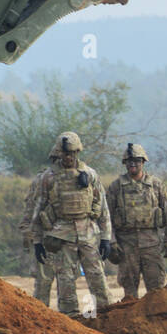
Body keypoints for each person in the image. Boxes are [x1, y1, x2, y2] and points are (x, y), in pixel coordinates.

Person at [30, 131, 113, 319]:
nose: (69, 158)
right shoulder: (49, 177)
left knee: (97, 276)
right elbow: (38, 209)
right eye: (66, 154)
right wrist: (37, 242)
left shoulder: (90, 175)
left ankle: (107, 314)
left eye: (73, 153)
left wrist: (106, 238)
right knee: (65, 279)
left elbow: (103, 207)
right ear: (59, 153)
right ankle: (71, 318)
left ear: (78, 153)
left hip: (88, 232)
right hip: (62, 233)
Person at [106, 142, 167, 300]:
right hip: (126, 245)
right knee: (129, 291)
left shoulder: (156, 185)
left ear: (143, 162)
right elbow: (107, 218)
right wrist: (111, 243)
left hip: (151, 243)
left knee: (156, 290)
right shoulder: (116, 187)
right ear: (125, 163)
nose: (133, 164)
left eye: (137, 161)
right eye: (129, 161)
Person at [19, 139, 62, 306]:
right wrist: (30, 236)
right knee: (43, 284)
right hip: (46, 237)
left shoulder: (75, 177)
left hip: (68, 238)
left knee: (67, 284)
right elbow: (30, 209)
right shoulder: (41, 180)